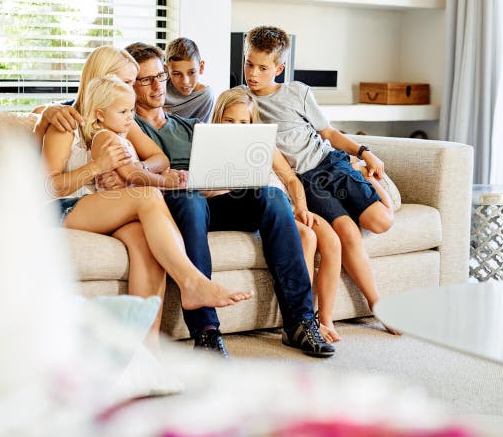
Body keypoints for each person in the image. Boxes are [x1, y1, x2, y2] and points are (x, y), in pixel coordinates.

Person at [120, 42, 334, 358]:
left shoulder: (190, 126)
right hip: (173, 206)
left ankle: (300, 322)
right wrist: (52, 110)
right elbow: (85, 105)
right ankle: (206, 332)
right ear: (129, 84)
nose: (157, 86)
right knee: (192, 201)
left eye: (160, 77)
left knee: (273, 197)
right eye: (145, 79)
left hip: (214, 200)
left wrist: (223, 178)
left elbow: (227, 157)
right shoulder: (125, 122)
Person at [40, 47, 252, 340]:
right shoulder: (67, 125)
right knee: (148, 197)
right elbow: (47, 186)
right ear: (102, 84)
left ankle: (145, 348)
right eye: (127, 83)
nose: (134, 92)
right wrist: (97, 167)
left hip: (102, 207)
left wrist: (139, 169)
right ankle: (191, 281)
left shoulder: (121, 125)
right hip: (62, 206)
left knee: (147, 243)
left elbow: (156, 159)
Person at [242, 26, 398, 334]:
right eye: (249, 64)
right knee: (347, 234)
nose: (254, 73)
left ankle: (365, 178)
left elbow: (328, 134)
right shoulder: (244, 103)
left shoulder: (297, 92)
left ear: (279, 68)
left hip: (332, 163)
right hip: (306, 180)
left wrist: (365, 154)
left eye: (263, 67)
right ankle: (376, 306)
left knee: (382, 222)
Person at [212, 86, 344, 343]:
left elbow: (292, 181)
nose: (238, 128)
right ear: (218, 118)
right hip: (255, 211)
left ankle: (318, 319)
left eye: (244, 122)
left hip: (283, 203)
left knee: (326, 235)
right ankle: (301, 320)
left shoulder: (263, 146)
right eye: (230, 121)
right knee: (306, 236)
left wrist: (302, 208)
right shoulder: (214, 146)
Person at [163, 37, 215, 122]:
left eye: (191, 72)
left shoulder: (205, 96)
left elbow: (198, 131)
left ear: (201, 67)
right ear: (166, 70)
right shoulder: (159, 87)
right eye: (177, 74)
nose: (185, 82)